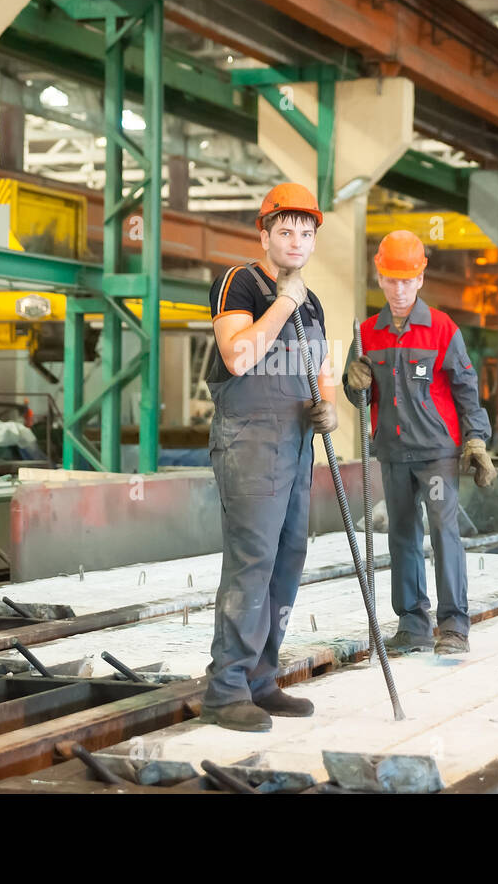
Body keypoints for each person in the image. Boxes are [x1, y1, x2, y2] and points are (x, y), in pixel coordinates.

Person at [199, 182, 337, 732]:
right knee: (251, 563)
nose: (297, 241)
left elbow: (321, 368)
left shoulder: (315, 302)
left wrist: (328, 408)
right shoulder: (240, 283)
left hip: (297, 448)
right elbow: (238, 357)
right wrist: (284, 300)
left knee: (287, 563)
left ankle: (261, 679)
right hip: (250, 443)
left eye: (306, 233)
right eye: (286, 231)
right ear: (264, 234)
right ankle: (225, 688)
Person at [343, 230, 495, 656]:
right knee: (402, 536)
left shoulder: (443, 330)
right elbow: (359, 394)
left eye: (407, 280)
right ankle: (412, 624)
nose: (399, 289)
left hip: (436, 455)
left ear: (420, 278)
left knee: (445, 533)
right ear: (380, 277)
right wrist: (351, 381)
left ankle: (453, 627)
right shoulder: (367, 333)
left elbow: (467, 389)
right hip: (392, 453)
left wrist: (476, 440)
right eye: (391, 279)